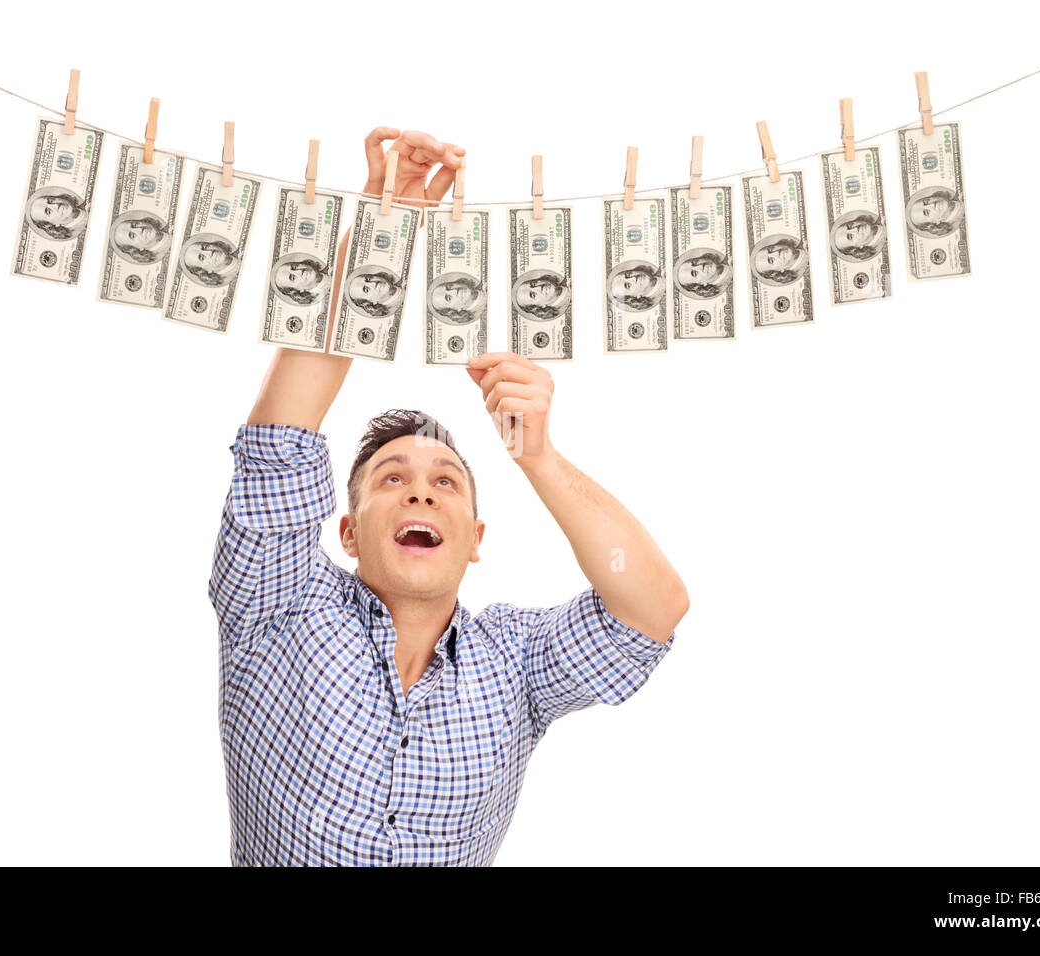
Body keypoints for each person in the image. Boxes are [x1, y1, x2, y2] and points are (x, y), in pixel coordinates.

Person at [208, 127, 690, 867]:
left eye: (446, 484)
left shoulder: (515, 662)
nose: (421, 495)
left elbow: (651, 610)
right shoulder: (278, 607)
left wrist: (538, 456)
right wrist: (379, 237)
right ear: (347, 530)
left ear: (476, 539)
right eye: (392, 479)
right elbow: (282, 436)